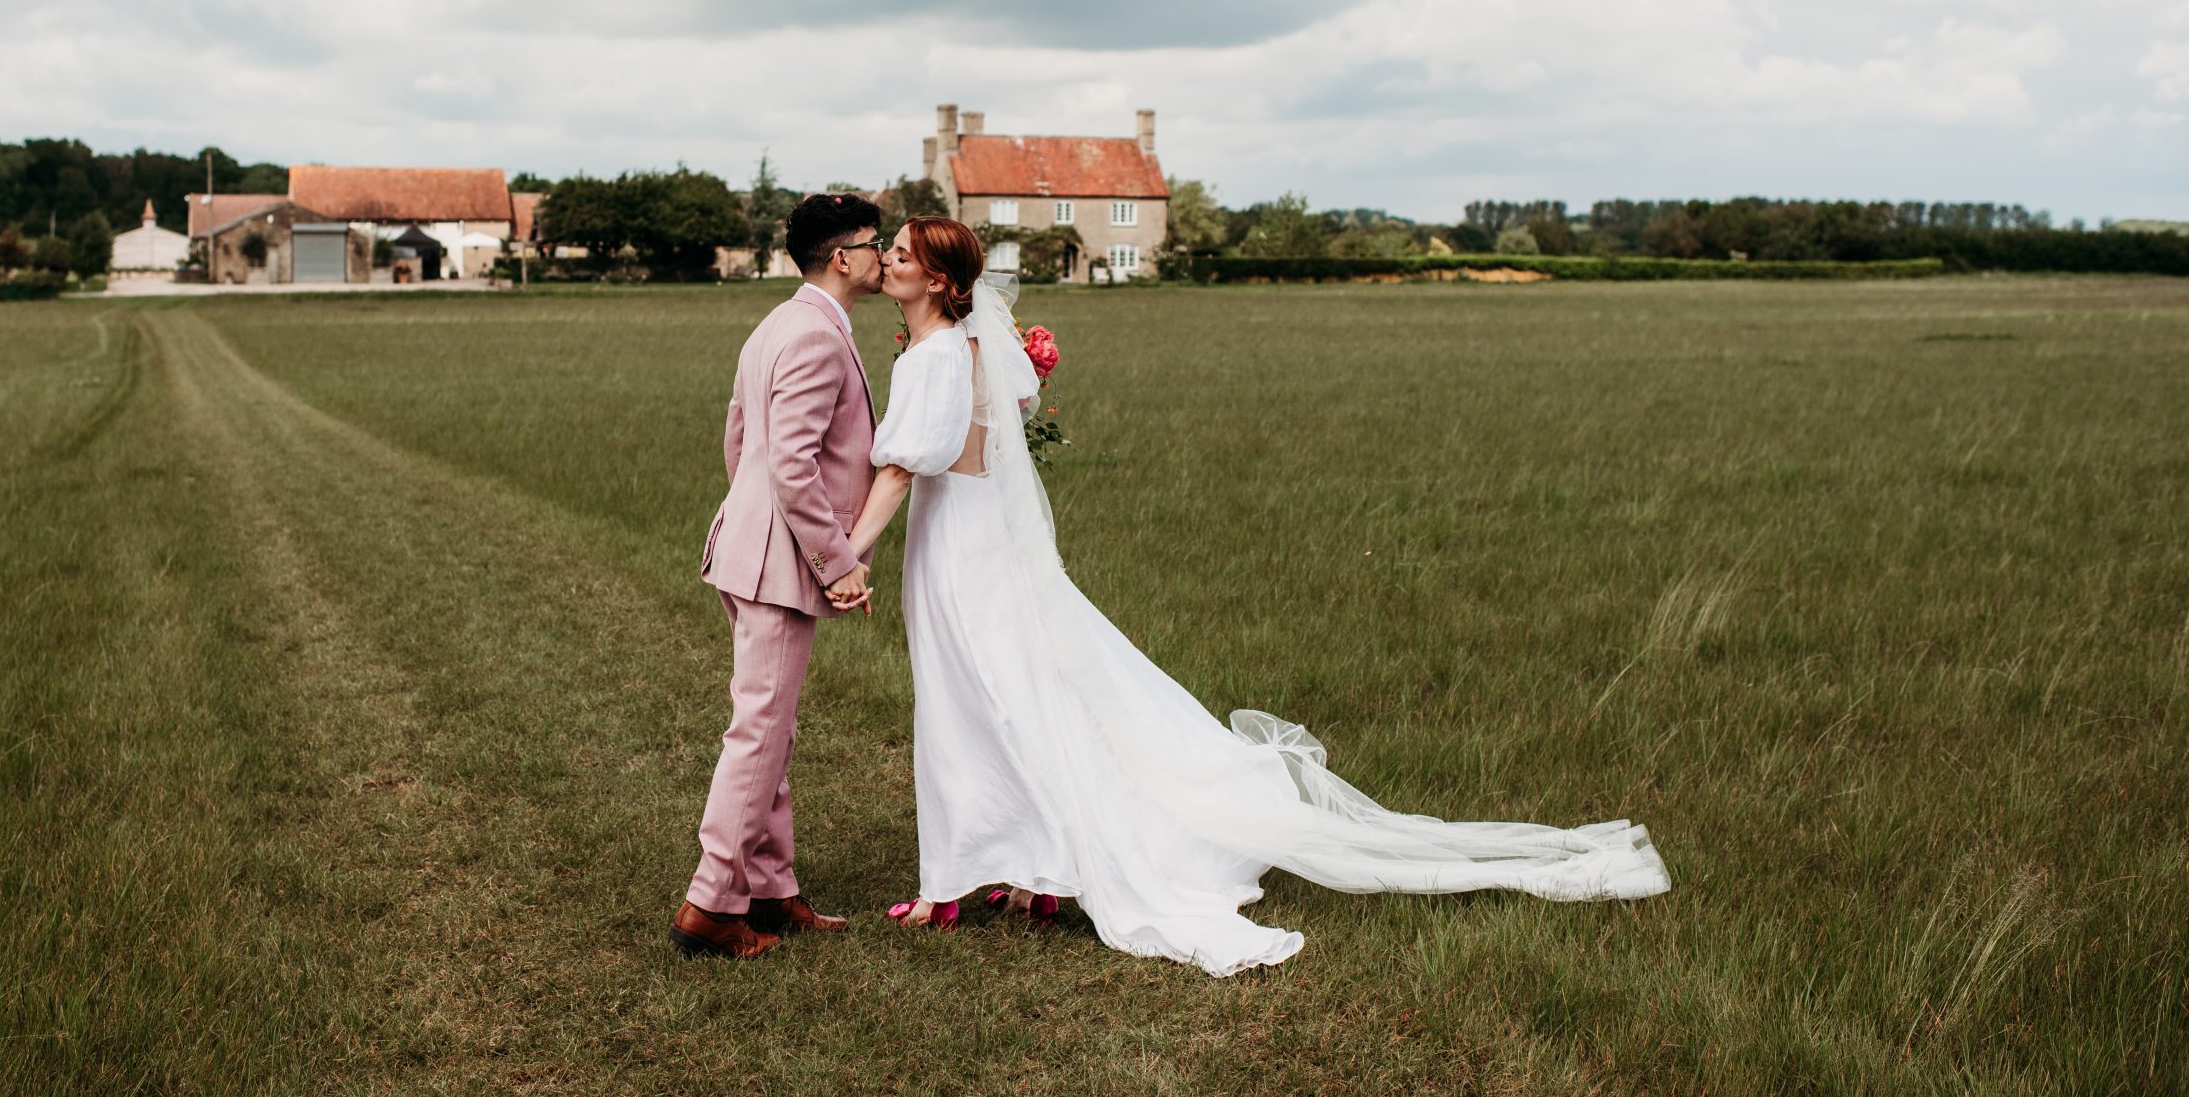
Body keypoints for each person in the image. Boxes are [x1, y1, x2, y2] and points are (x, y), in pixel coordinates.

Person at [846, 216, 1670, 976]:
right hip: (988, 538)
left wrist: (845, 554)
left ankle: (952, 882)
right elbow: (1001, 417)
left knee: (967, 700)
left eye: (905, 255)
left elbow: (898, 468)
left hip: (958, 545)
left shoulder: (934, 357)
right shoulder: (976, 351)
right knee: (1023, 694)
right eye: (891, 250)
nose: (888, 260)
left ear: (944, 283)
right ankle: (1034, 871)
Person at [668, 193, 886, 960]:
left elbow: (740, 439)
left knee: (772, 726)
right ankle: (711, 902)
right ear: (843, 257)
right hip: (777, 561)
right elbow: (791, 464)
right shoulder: (817, 336)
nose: (883, 255)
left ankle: (771, 887)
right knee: (759, 728)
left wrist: (753, 522)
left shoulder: (779, 322)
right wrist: (838, 563)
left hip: (749, 547)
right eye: (874, 242)